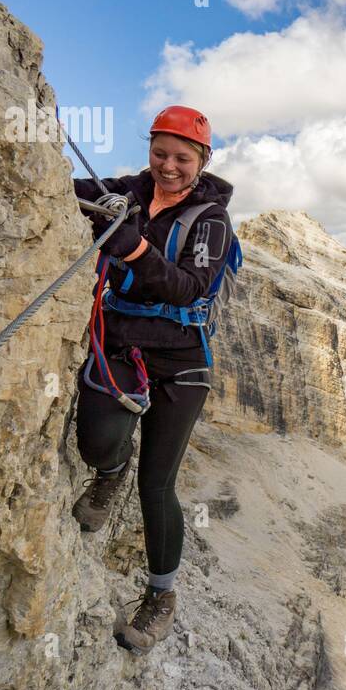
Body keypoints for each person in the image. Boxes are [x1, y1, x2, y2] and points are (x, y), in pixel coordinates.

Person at [71, 105, 234, 655]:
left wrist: (136, 249)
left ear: (202, 160)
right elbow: (67, 188)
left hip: (183, 361)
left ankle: (161, 594)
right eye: (160, 153)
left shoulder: (210, 218)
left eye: (182, 158)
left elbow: (190, 288)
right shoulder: (129, 190)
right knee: (95, 438)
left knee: (158, 483)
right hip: (122, 339)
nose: (168, 166)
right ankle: (109, 469)